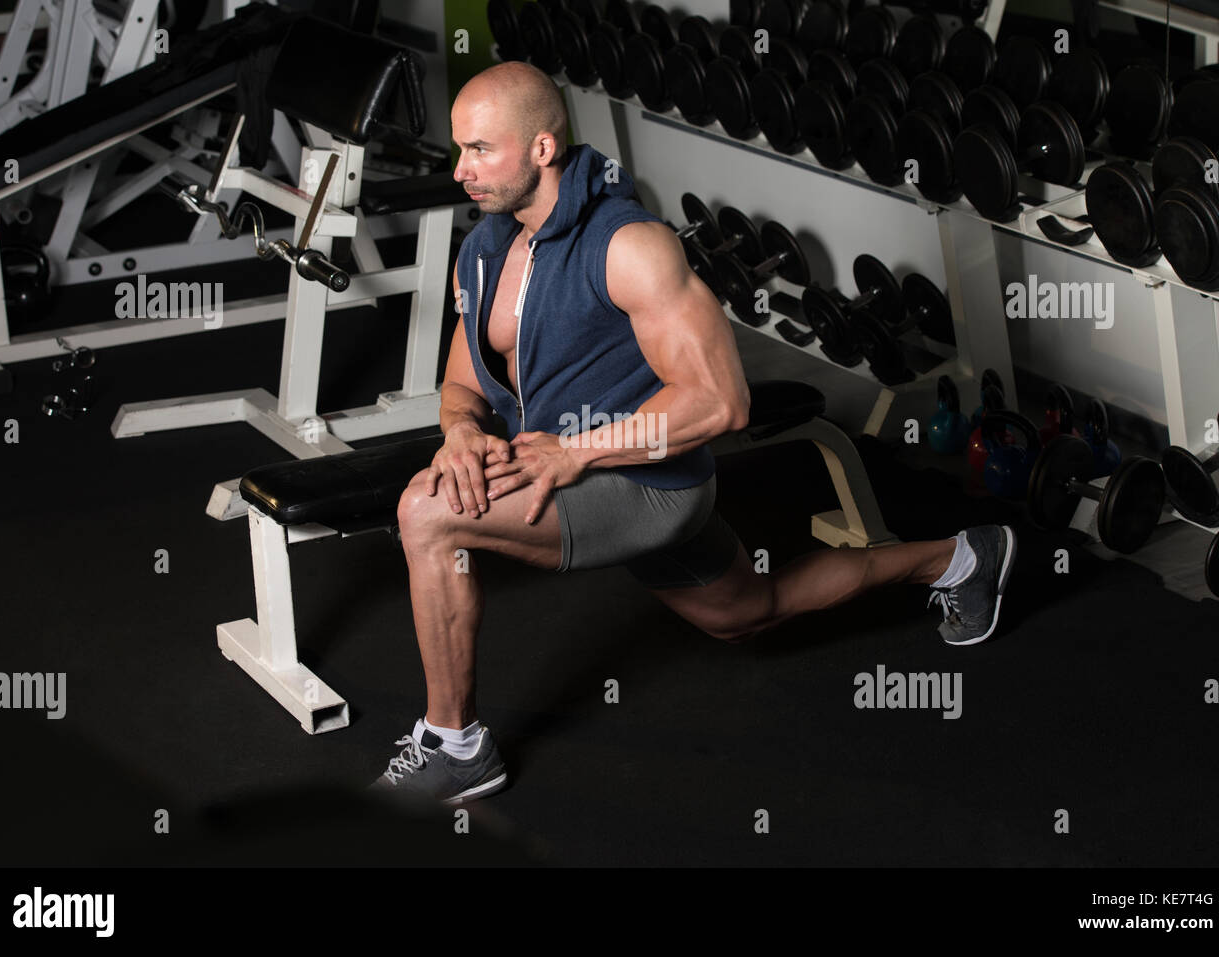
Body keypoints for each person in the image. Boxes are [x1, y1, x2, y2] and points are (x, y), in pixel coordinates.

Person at [369, 62, 1016, 806]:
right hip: (574, 471)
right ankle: (959, 557)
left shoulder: (630, 246)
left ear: (542, 148)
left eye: (480, 149)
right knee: (748, 612)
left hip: (651, 484)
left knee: (428, 512)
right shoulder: (485, 248)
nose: (461, 170)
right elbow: (462, 383)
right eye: (460, 149)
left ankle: (456, 743)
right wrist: (457, 431)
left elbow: (721, 402)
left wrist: (573, 448)